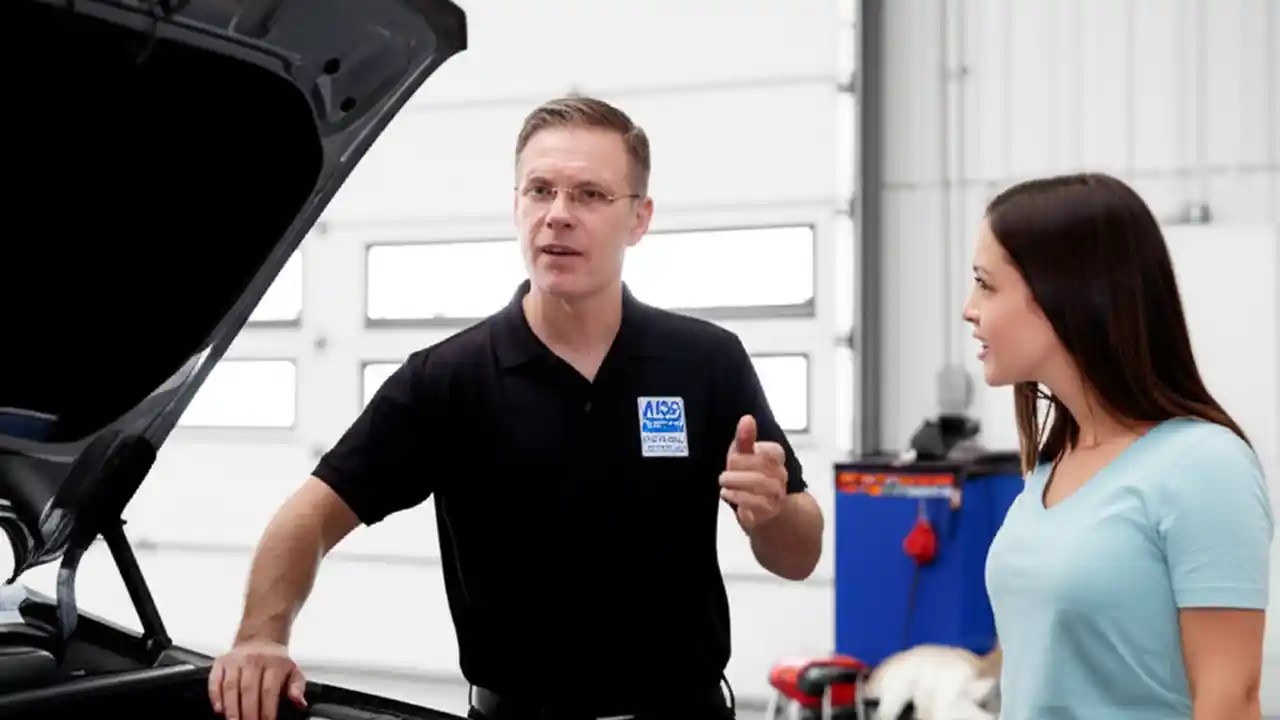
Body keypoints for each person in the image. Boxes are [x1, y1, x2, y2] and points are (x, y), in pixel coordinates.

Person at [206, 95, 824, 720]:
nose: (558, 215)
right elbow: (308, 518)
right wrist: (261, 634)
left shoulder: (706, 361)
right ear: (516, 205)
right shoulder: (448, 380)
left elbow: (798, 557)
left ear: (639, 218)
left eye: (588, 195)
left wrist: (770, 514)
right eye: (540, 190)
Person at [962, 172, 1273, 719]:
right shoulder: (1053, 464)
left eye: (986, 284)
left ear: (1064, 290)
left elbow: (1231, 700)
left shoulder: (1203, 465)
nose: (970, 307)